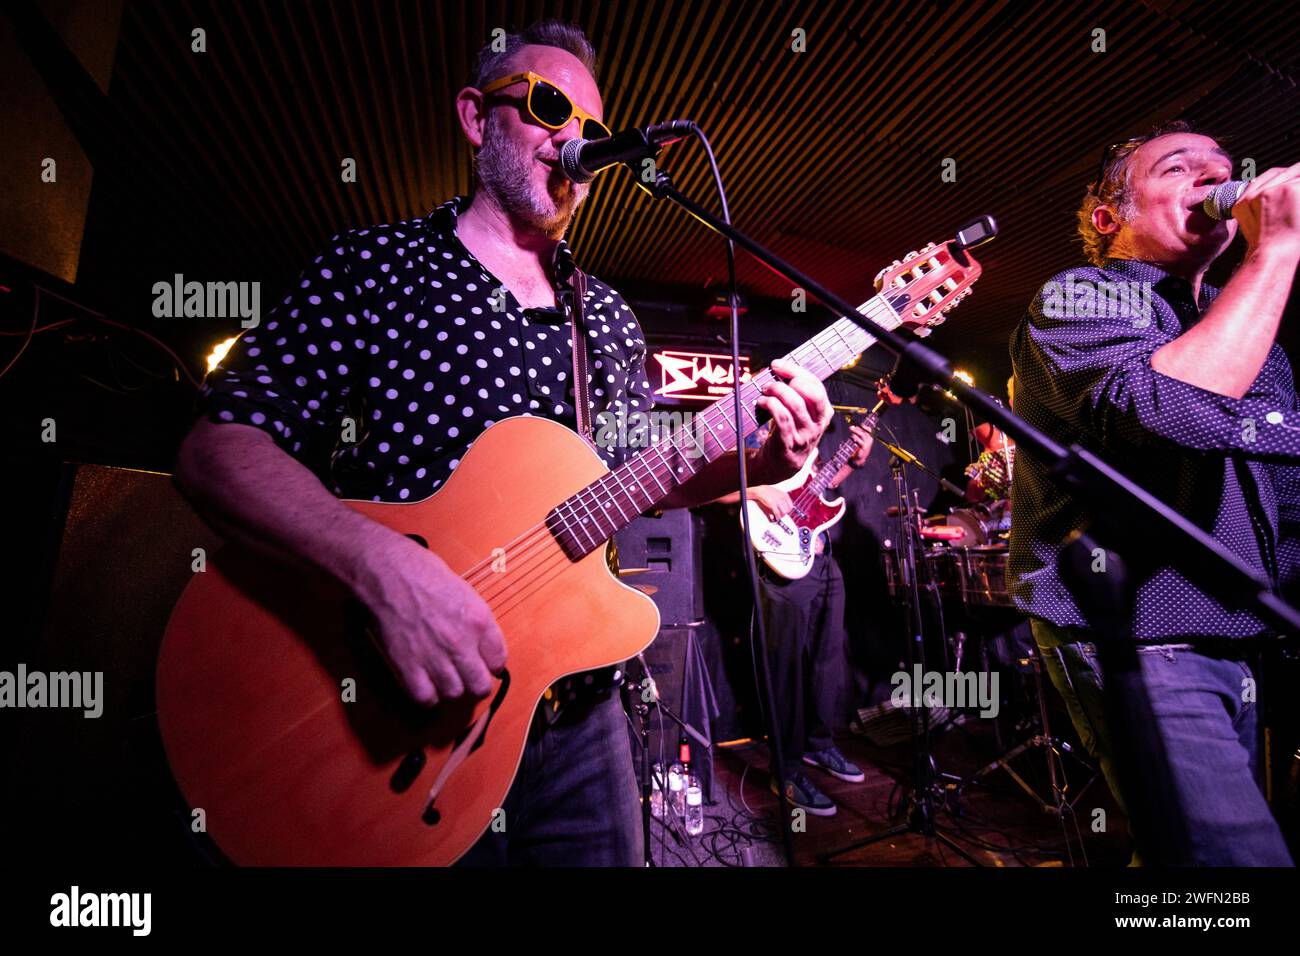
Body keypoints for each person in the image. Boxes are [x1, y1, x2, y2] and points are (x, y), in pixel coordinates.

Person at [172, 19, 832, 866]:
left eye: (593, 131)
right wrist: (379, 565)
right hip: (388, 706)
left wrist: (752, 467)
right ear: (476, 118)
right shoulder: (374, 267)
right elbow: (217, 450)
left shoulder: (609, 319)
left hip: (577, 718)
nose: (575, 141)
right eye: (550, 107)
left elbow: (637, 479)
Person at [1009, 120, 1300, 865]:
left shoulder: (1245, 329)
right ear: (1110, 220)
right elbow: (1170, 412)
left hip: (1243, 637)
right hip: (1142, 631)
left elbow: (1284, 501)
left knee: (1183, 859)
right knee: (1237, 865)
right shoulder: (1078, 296)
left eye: (1223, 168)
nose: (1212, 180)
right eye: (1178, 169)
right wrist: (1277, 251)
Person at [716, 418, 874, 816]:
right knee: (784, 669)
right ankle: (784, 770)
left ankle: (819, 745)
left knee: (827, 660)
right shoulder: (747, 433)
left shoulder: (808, 435)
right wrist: (757, 490)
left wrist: (852, 464)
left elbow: (816, 489)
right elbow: (709, 489)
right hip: (780, 559)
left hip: (820, 557)